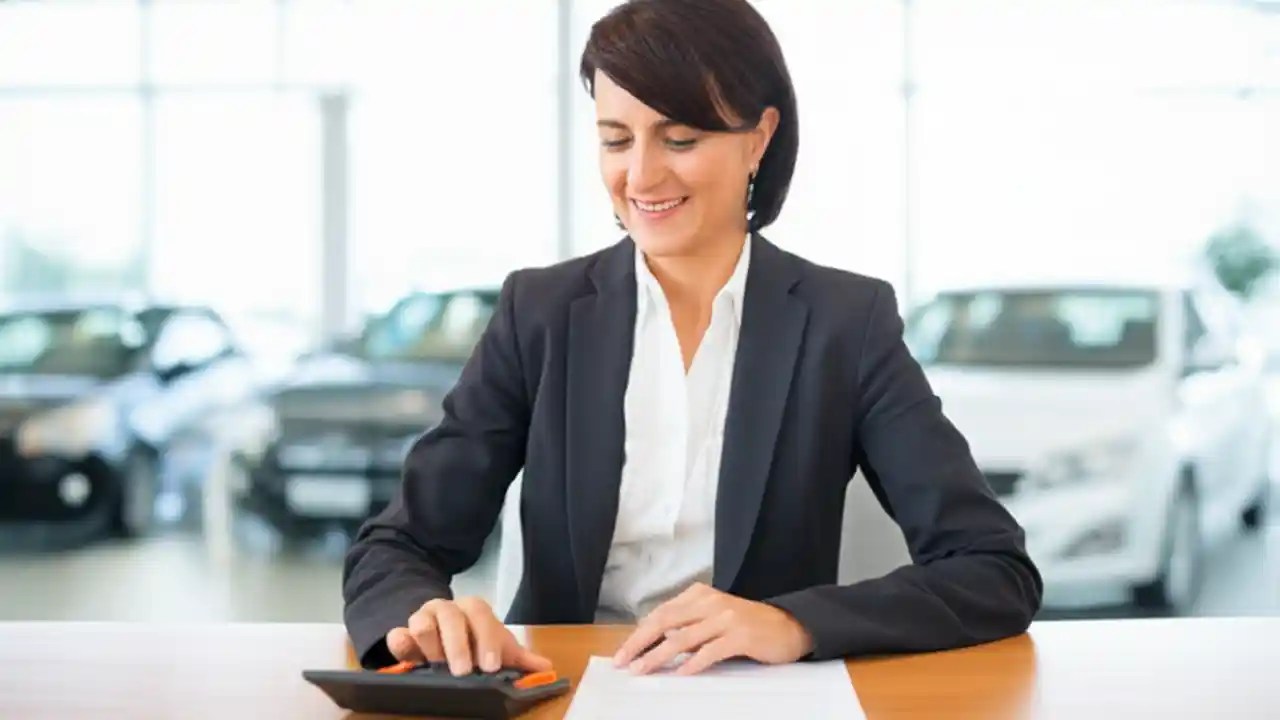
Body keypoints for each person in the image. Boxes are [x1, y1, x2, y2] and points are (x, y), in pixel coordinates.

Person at [343, 0, 1042, 678]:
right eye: (617, 139)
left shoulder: (844, 322)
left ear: (759, 139)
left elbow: (990, 567)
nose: (641, 176)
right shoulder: (542, 312)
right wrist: (425, 613)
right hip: (566, 688)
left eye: (680, 139)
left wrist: (796, 624)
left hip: (756, 692)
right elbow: (399, 545)